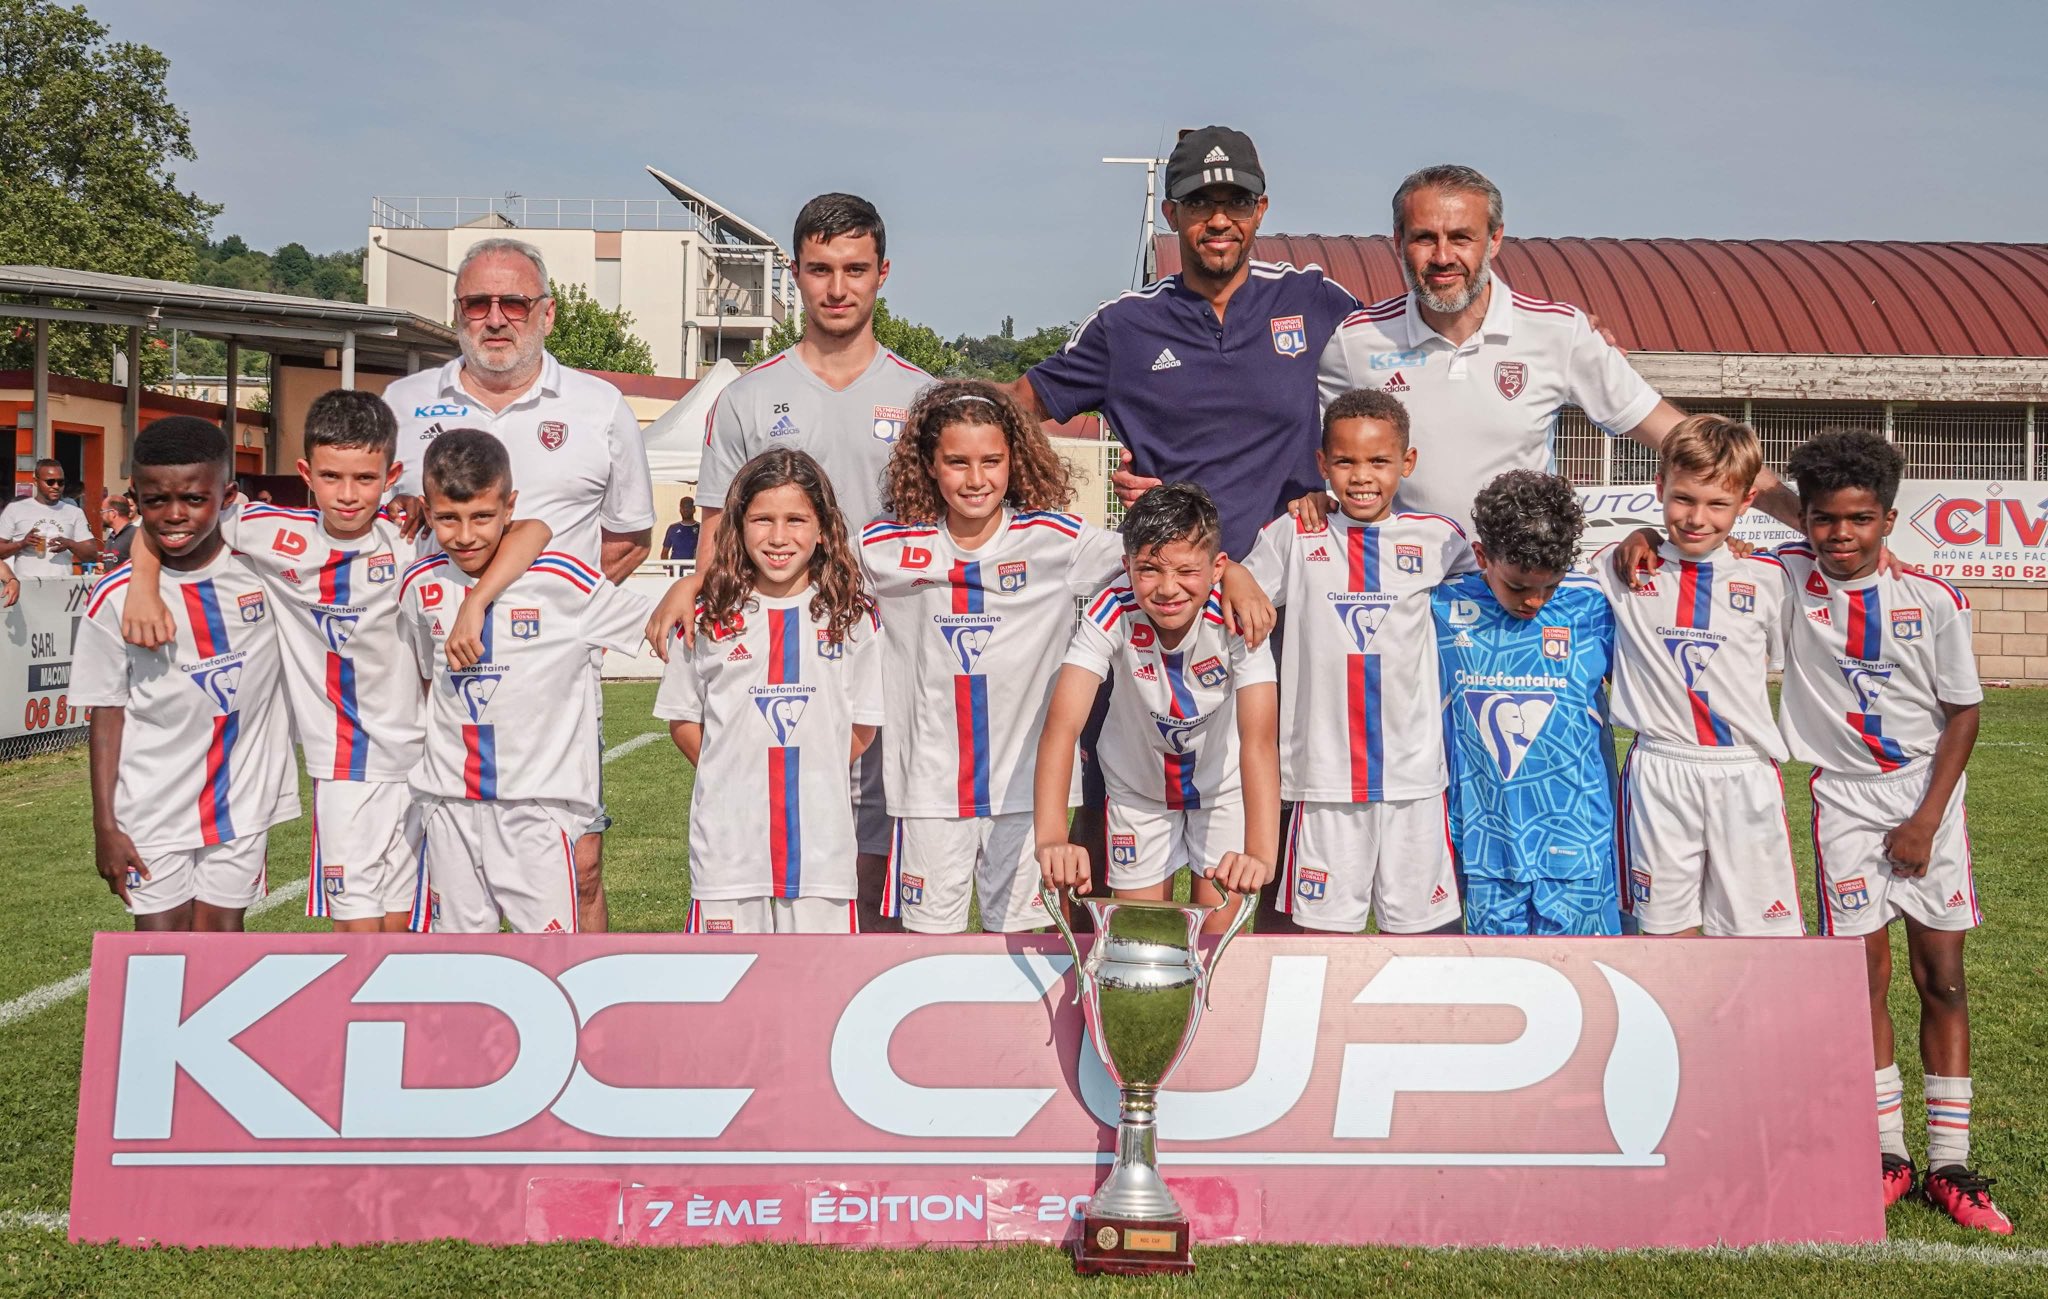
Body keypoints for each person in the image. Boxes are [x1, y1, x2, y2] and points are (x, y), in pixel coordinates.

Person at [118, 391, 549, 933]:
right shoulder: (268, 532)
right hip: (343, 769)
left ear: (392, 474)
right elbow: (169, 515)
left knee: (411, 927)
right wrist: (142, 582)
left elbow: (532, 530)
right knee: (357, 931)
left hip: (429, 764)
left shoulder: (415, 538)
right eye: (331, 477)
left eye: (366, 479)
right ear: (305, 472)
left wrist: (477, 600)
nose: (348, 495)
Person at [384, 236, 656, 933]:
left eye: (514, 302)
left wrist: (554, 616)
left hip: (551, 686)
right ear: (457, 313)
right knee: (427, 865)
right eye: (479, 302)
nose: (496, 317)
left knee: (580, 862)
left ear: (548, 313)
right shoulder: (405, 401)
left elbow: (628, 536)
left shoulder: (600, 406)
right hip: (437, 677)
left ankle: (588, 1026)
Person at [1773, 428, 2007, 1232]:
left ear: (1889, 520)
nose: (1841, 534)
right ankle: (1886, 1153)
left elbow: (1965, 712)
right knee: (1860, 978)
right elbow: (1730, 503)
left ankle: (1951, 1162)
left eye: (1860, 518)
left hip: (1923, 794)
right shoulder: (1786, 574)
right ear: (1803, 520)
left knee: (1940, 976)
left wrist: (1927, 819)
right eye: (1824, 519)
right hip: (1843, 798)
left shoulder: (1933, 600)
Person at [687, 193, 934, 926]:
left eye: (855, 269)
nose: (837, 287)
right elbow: (714, 531)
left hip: (891, 656)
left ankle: (867, 1019)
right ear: (795, 272)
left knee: (882, 858)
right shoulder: (748, 397)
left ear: (883, 273)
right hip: (787, 657)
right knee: (788, 841)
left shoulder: (920, 397)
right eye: (820, 268)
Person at [1316, 164, 1801, 536]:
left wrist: (1803, 517)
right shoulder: (1356, 341)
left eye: (1462, 237)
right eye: (1425, 238)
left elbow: (1676, 435)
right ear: (1399, 241)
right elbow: (1312, 456)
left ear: (1495, 241)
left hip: (1517, 588)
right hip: (1404, 592)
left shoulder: (1559, 332)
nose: (1443, 257)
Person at [1007, 126, 1359, 564]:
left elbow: (1396, 390)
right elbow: (1014, 408)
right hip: (1171, 592)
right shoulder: (1124, 325)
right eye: (1199, 203)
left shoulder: (1313, 299)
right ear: (1171, 213)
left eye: (1237, 201)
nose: (1219, 220)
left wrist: (1338, 490)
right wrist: (1031, 497)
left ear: (1261, 209)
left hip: (1294, 584)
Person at [860, 381, 1128, 933]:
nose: (976, 479)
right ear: (929, 465)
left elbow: (1159, 557)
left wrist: (1237, 575)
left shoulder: (1054, 540)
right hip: (928, 789)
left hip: (1028, 789)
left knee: (1026, 945)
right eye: (957, 462)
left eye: (991, 461)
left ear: (1015, 461)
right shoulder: (884, 547)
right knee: (928, 949)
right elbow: (805, 574)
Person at [397, 431, 654, 935]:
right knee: (456, 965)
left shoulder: (564, 581)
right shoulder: (419, 584)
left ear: (509, 507)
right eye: (448, 518)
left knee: (550, 957)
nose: (465, 535)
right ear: (427, 511)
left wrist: (689, 589)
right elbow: (429, 681)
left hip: (536, 809)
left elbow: (656, 626)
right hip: (449, 804)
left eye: (482, 517)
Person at [1241, 391, 1472, 935]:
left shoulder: (1441, 540)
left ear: (1407, 463)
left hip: (1413, 780)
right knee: (1314, 943)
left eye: (1378, 462)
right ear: (1323, 465)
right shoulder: (1296, 533)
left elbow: (1498, 590)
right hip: (1324, 781)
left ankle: (1413, 1024)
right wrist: (1229, 573)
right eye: (1345, 462)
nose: (1361, 476)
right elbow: (1243, 583)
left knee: (1423, 943)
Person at [71, 417, 299, 931]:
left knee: (221, 944)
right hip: (149, 805)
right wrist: (104, 825)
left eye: (195, 500)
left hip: (241, 802)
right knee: (158, 948)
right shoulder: (115, 598)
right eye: (156, 501)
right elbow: (106, 714)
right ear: (136, 499)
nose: (175, 515)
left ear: (228, 495)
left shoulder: (266, 573)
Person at [656, 449, 881, 933]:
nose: (779, 537)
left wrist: (809, 769)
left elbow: (862, 724)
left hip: (823, 849)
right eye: (762, 519)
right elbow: (682, 719)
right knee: (728, 996)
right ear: (737, 526)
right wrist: (735, 768)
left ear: (822, 529)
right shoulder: (706, 616)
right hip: (728, 848)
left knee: (822, 997)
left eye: (796, 519)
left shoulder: (852, 616)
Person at [1036, 482, 1278, 930]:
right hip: (1139, 792)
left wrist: (1261, 852)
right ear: (1126, 566)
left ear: (1217, 568)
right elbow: (1062, 726)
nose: (1168, 589)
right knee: (1142, 941)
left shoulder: (1237, 617)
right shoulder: (1110, 608)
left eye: (1187, 571)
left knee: (1217, 944)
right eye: (1148, 569)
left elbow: (1260, 740)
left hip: (1221, 792)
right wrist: (1051, 837)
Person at [1593, 415, 1799, 936]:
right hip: (1660, 770)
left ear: (1746, 501)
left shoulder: (1770, 578)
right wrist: (1638, 535)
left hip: (1743, 772)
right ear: (1659, 487)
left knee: (1759, 943)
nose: (1697, 518)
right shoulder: (1617, 570)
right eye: (1683, 498)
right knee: (1665, 938)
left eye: (1717, 504)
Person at [1435, 471, 1621, 936]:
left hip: (1577, 835)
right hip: (1482, 841)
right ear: (1482, 556)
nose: (1535, 601)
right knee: (1493, 990)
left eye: (1549, 587)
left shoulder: (1596, 604)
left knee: (1586, 981)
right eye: (1518, 587)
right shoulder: (1438, 604)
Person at [0, 459, 96, 577]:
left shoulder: (74, 512)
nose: (56, 486)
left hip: (62, 587)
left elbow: (92, 555)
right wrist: (22, 544)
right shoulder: (15, 509)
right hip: (27, 588)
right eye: (50, 482)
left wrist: (70, 544)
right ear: (36, 481)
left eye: (61, 482)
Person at [100, 497, 138, 565]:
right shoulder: (111, 537)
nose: (101, 515)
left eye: (102, 511)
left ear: (113, 513)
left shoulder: (136, 535)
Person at [662, 497, 700, 564]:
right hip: (675, 570)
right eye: (683, 507)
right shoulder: (673, 528)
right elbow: (664, 552)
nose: (685, 510)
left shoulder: (701, 528)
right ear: (680, 509)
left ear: (694, 509)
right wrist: (668, 570)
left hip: (693, 570)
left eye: (688, 507)